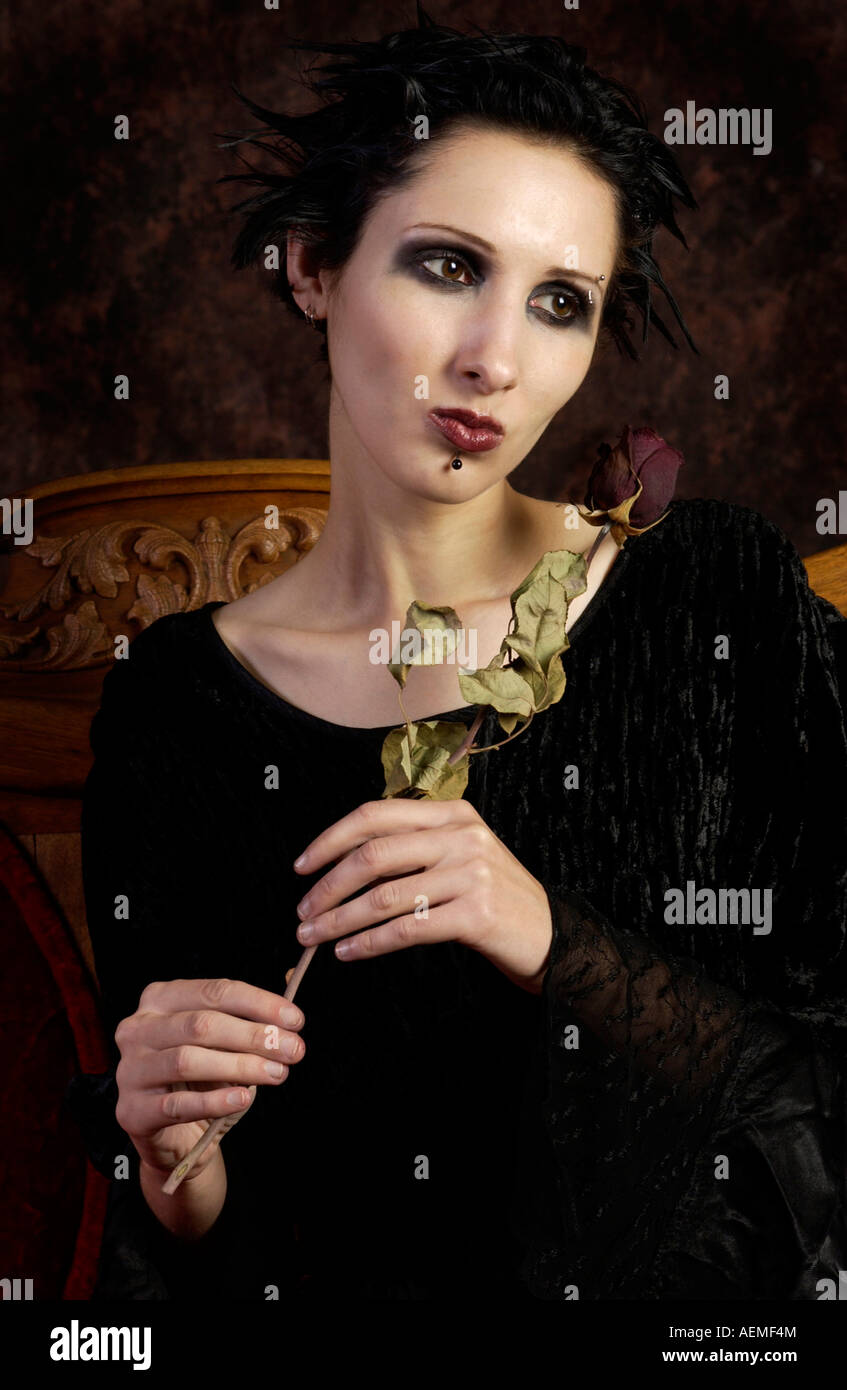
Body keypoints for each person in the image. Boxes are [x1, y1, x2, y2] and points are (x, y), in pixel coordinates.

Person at [67, 5, 847, 1301]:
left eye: (559, 302)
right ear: (313, 264)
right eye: (444, 265)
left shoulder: (722, 601)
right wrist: (174, 1173)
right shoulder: (177, 709)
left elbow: (818, 1100)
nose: (496, 359)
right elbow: (212, 1257)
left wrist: (546, 932)